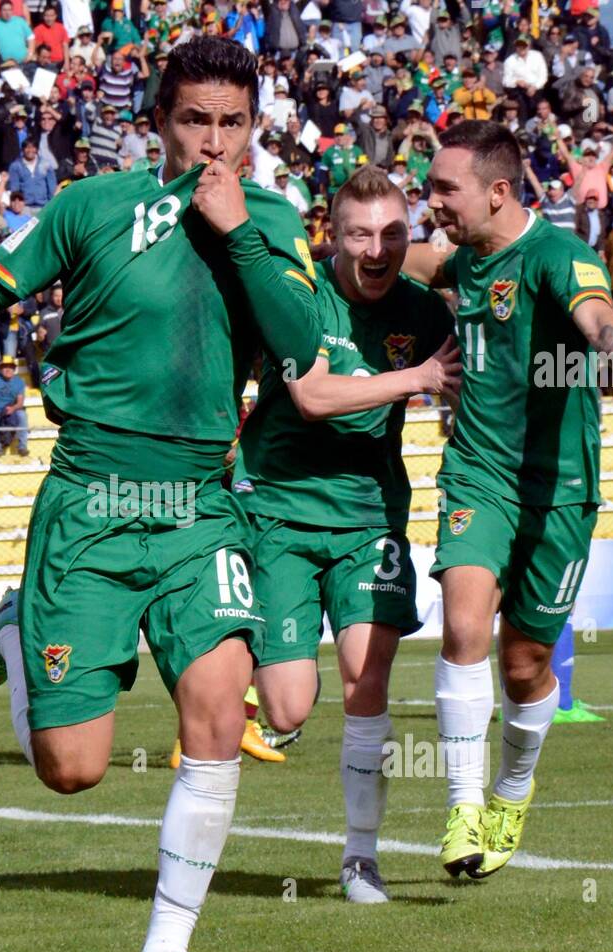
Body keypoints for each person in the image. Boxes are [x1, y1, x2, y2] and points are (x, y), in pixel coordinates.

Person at [0, 36, 322, 952]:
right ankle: (16, 629)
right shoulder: (91, 207)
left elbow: (302, 352)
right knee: (73, 769)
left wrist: (237, 232)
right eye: (194, 120)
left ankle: (165, 951)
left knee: (217, 711)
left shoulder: (277, 222)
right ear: (157, 121)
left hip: (200, 511)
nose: (214, 142)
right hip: (90, 503)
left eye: (233, 124)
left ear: (254, 130)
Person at [404, 121, 613, 879]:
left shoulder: (558, 257)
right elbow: (397, 257)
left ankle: (513, 785)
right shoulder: (467, 259)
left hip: (559, 490)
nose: (432, 202)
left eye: (446, 190)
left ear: (498, 192)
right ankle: (464, 806)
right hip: (478, 474)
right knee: (465, 622)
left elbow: (596, 314)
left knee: (524, 664)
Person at [231, 166, 460, 899]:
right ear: (332, 234)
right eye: (360, 233)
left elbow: (470, 371)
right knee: (288, 707)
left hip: (369, 516)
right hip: (281, 511)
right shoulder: (302, 294)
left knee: (368, 682)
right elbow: (312, 395)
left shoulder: (426, 312)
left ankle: (361, 857)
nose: (376, 248)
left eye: (392, 233)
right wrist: (416, 379)